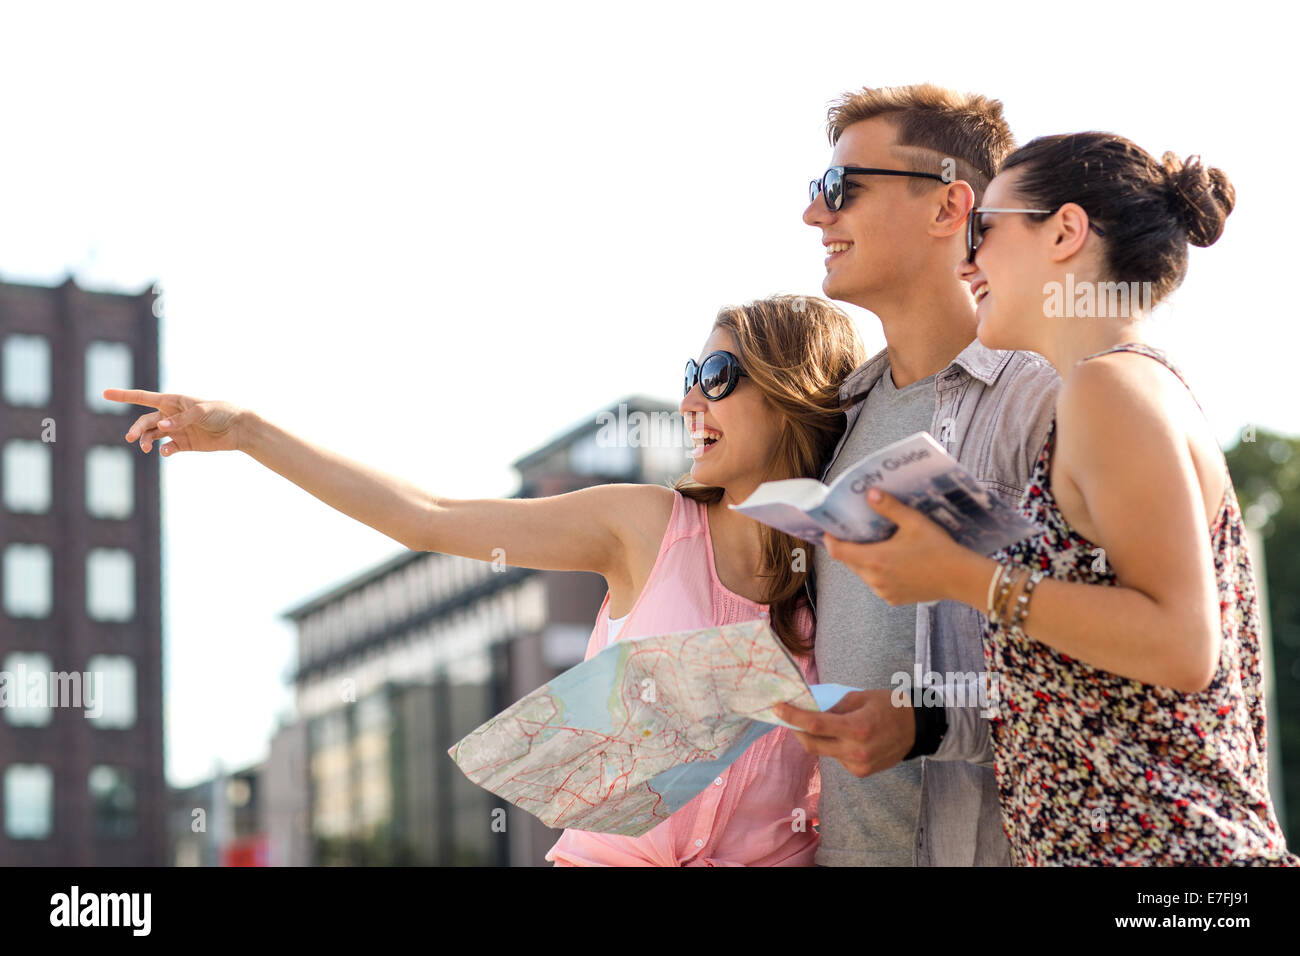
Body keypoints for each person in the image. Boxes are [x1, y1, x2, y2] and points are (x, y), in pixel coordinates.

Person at [104, 293, 868, 867]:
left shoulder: (848, 572)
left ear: (792, 389)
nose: (689, 399)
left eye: (718, 374)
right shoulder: (644, 526)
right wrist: (246, 431)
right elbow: (430, 517)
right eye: (689, 374)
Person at [813, 131, 1297, 865]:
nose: (967, 260)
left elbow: (1183, 645)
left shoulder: (1111, 389)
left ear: (1065, 232)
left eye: (985, 229)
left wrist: (959, 576)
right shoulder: (1107, 392)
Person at [772, 84, 1060, 867]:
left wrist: (923, 720)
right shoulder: (843, 416)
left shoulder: (1044, 401)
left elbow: (1103, 672)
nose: (815, 215)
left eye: (842, 189)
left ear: (946, 207)